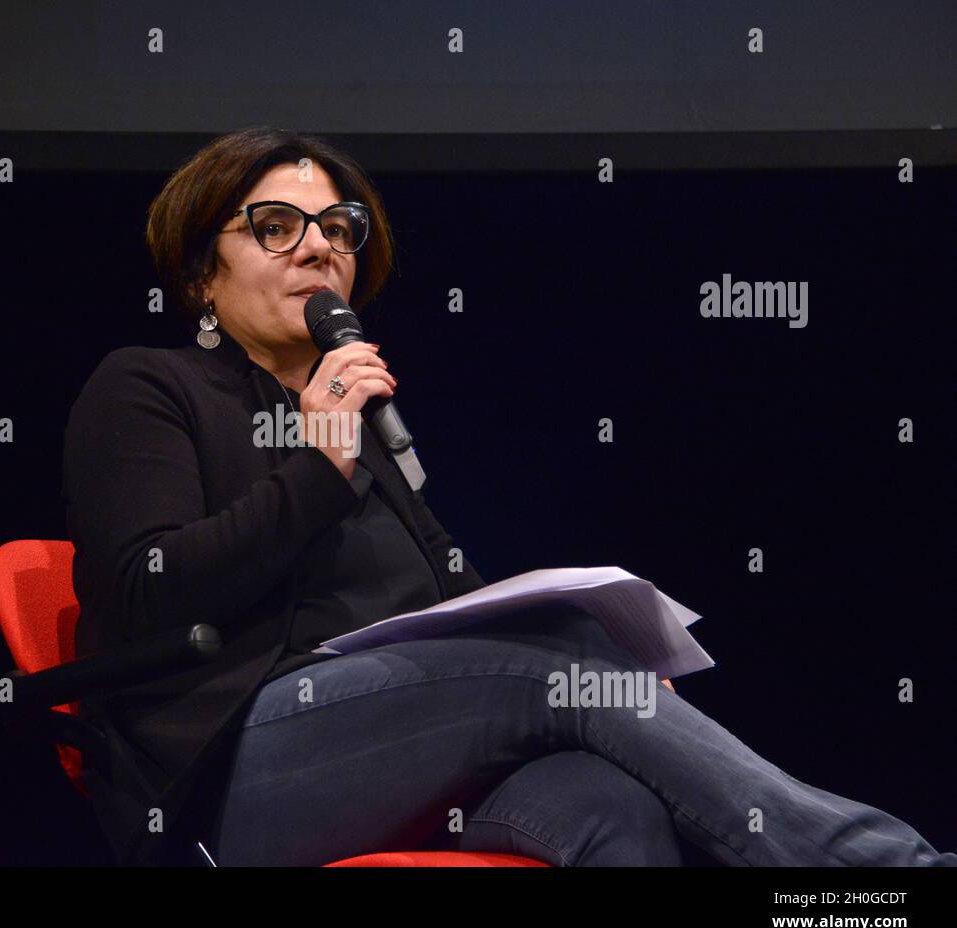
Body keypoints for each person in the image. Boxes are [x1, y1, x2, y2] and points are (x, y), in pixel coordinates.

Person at [61, 125, 955, 868]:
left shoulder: (359, 421)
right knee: (559, 667)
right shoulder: (147, 386)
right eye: (274, 226)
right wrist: (317, 461)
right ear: (200, 273)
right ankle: (882, 873)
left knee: (611, 802)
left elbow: (449, 603)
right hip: (231, 772)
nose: (319, 246)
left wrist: (610, 665)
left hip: (395, 744)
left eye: (337, 226)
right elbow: (146, 590)